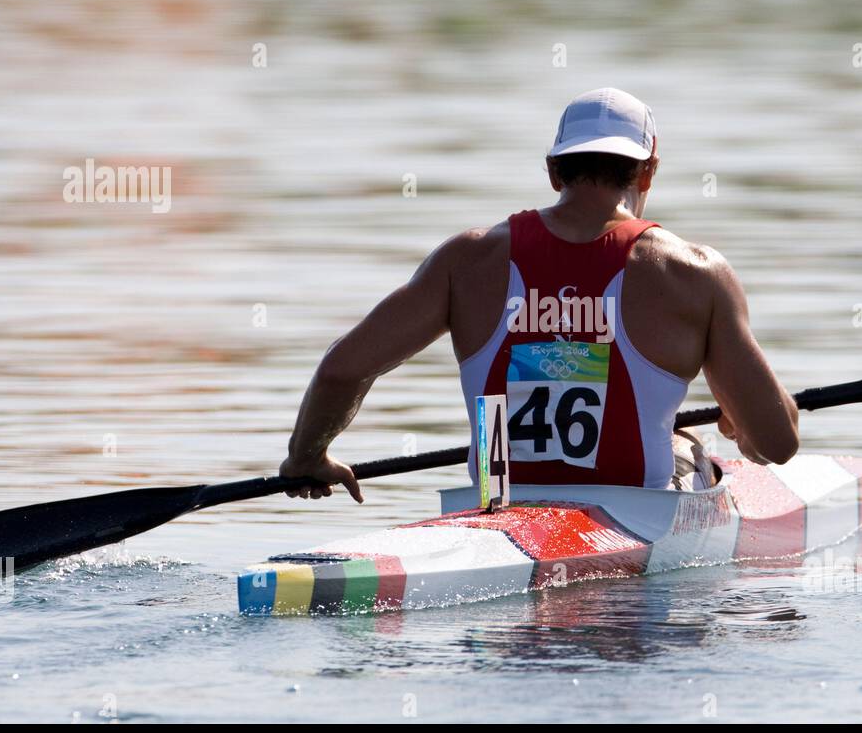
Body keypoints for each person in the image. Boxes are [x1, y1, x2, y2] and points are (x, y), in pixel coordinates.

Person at [280, 87, 799, 501]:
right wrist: (741, 424)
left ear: (553, 172)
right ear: (649, 170)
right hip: (635, 522)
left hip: (492, 512)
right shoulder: (695, 272)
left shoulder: (467, 260)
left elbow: (342, 369)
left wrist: (307, 456)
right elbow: (776, 443)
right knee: (690, 445)